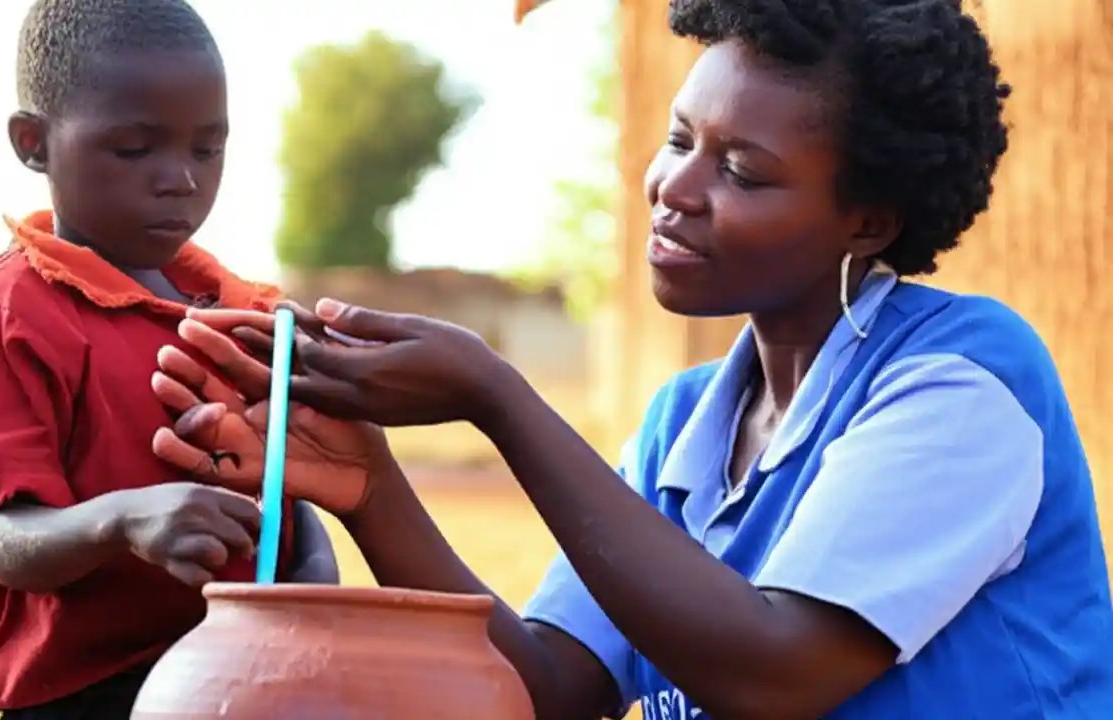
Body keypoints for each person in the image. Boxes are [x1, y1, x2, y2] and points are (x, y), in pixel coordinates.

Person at [153, 1, 1113, 719]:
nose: (673, 189)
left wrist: (495, 395)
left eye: (740, 172)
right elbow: (548, 689)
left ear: (869, 220)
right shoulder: (686, 426)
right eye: (679, 139)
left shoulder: (961, 384)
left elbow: (772, 669)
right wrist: (372, 488)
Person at [0, 1, 337, 718]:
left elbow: (285, 492)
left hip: (242, 673)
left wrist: (312, 575)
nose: (180, 178)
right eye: (135, 149)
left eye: (207, 149)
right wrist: (124, 520)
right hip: (77, 694)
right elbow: (9, 539)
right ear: (33, 143)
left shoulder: (246, 315)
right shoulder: (2, 321)